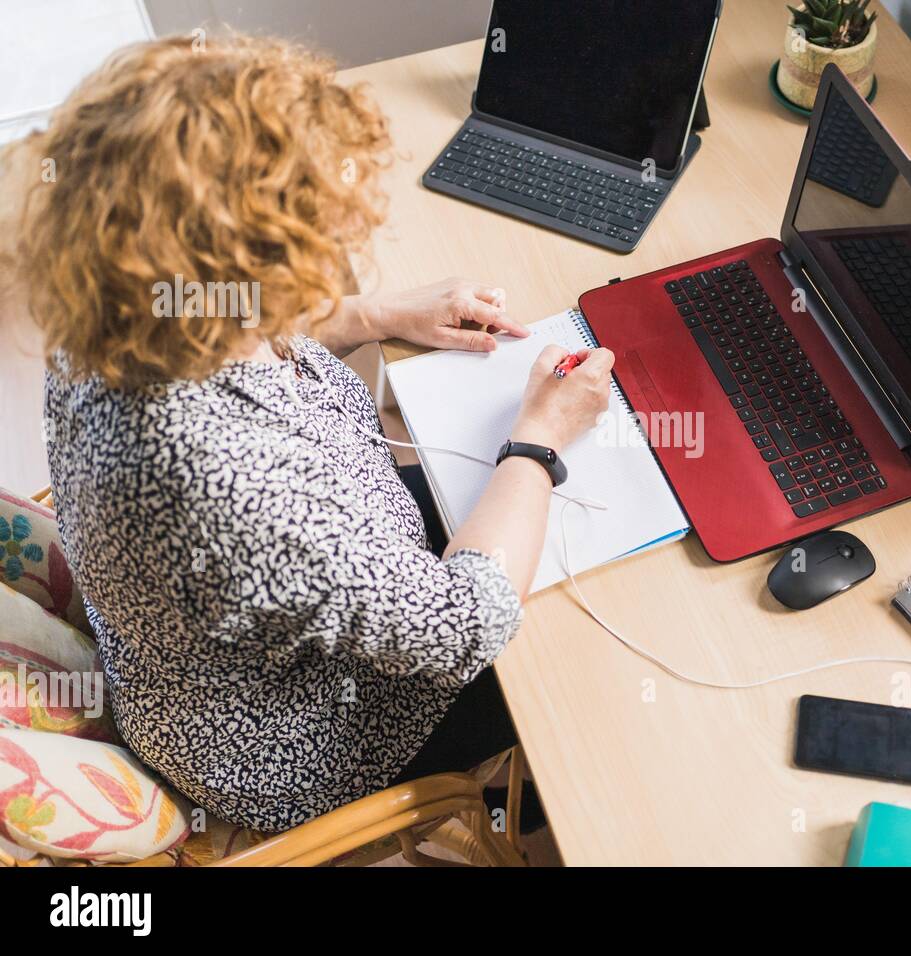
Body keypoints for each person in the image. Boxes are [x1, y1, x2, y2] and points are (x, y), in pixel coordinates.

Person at [9, 33, 612, 832]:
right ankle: (542, 819)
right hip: (300, 738)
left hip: (221, 646)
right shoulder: (230, 479)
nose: (334, 246)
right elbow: (463, 625)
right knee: (585, 646)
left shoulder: (110, 305)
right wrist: (539, 440)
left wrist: (374, 315)